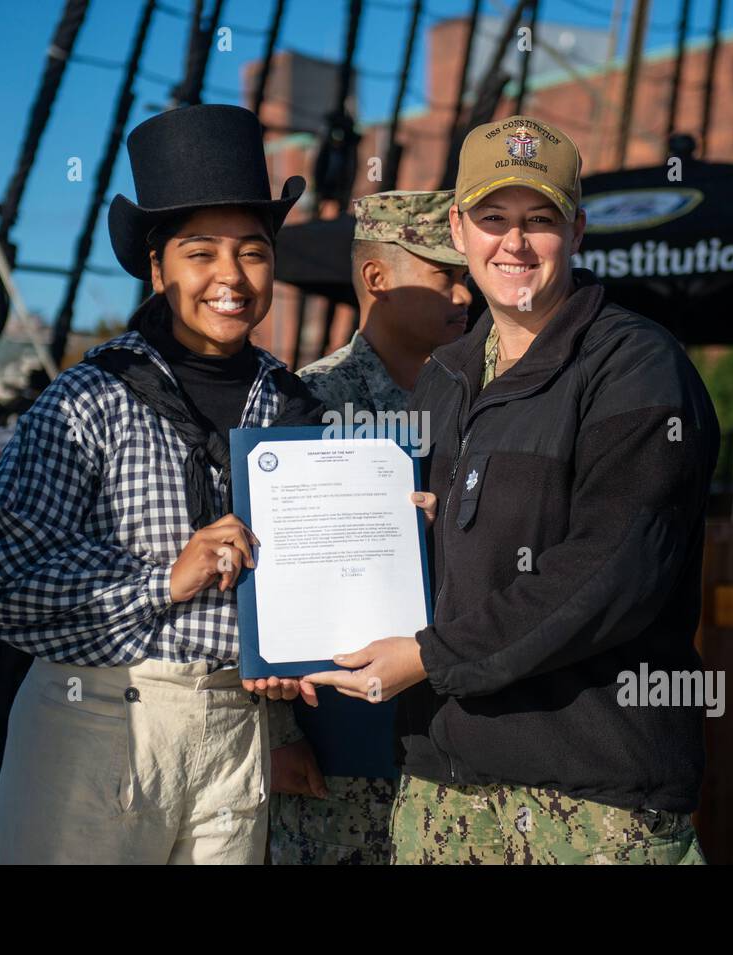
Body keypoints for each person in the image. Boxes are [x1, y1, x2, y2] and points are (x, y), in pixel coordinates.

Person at [305, 115, 720, 864]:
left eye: (541, 220)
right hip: (440, 797)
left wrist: (431, 655)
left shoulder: (637, 369)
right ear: (459, 230)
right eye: (494, 218)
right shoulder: (444, 377)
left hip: (593, 810)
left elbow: (609, 571)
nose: (515, 243)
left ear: (579, 229)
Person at [0, 104, 318, 864]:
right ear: (158, 268)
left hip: (237, 731)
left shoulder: (296, 406)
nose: (231, 277)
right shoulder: (87, 400)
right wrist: (164, 578)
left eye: (253, 251)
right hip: (97, 719)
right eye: (201, 253)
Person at [269, 189, 469, 864]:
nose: (465, 293)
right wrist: (278, 732)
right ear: (378, 279)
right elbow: (272, 579)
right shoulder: (306, 402)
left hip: (465, 735)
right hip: (345, 743)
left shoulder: (494, 399)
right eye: (446, 274)